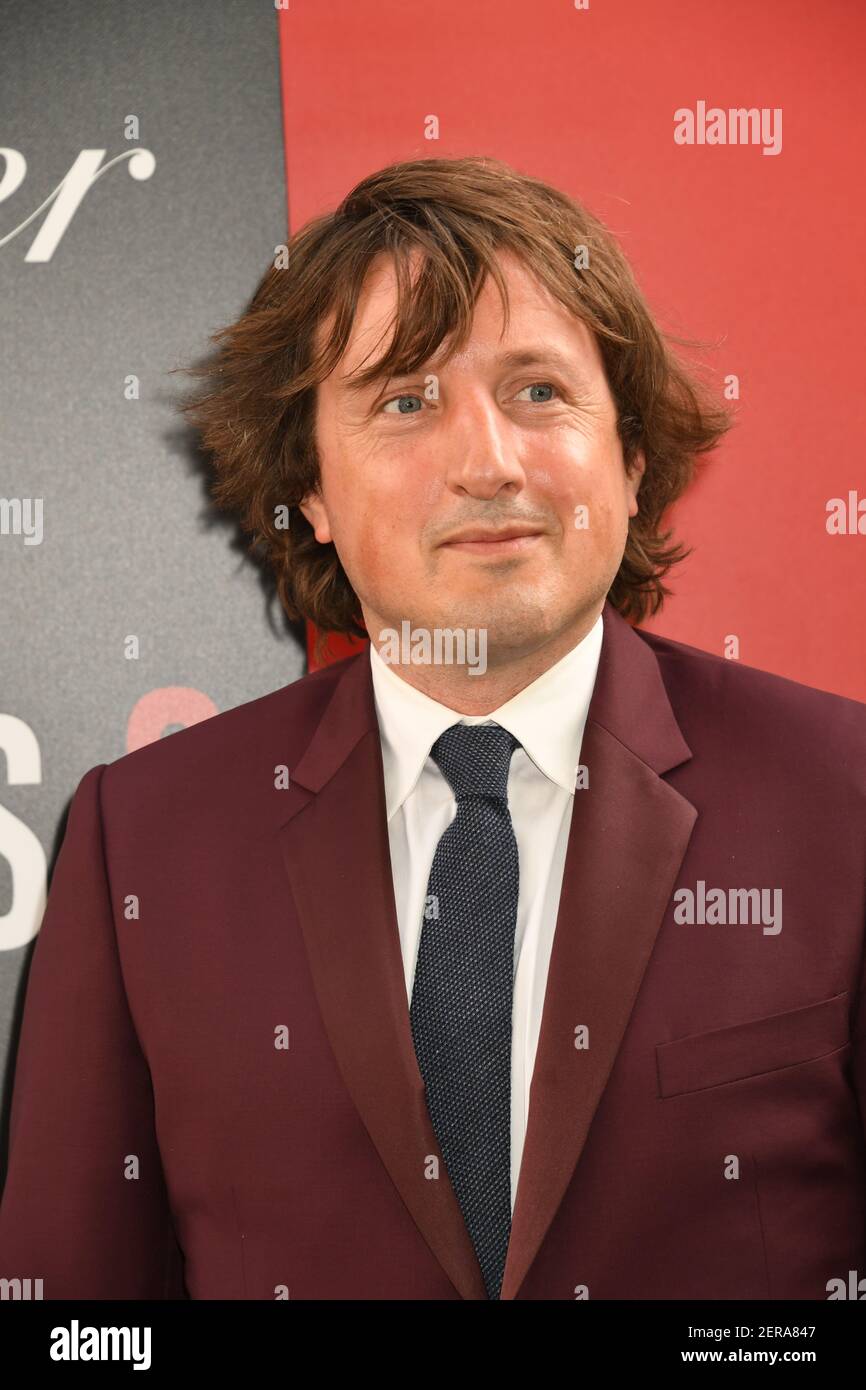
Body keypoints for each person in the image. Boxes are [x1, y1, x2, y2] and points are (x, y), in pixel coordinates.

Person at [1, 156, 864, 1301]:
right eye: (406, 402)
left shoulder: (841, 799)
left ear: (633, 454)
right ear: (307, 486)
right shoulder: (142, 835)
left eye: (538, 393)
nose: (487, 463)